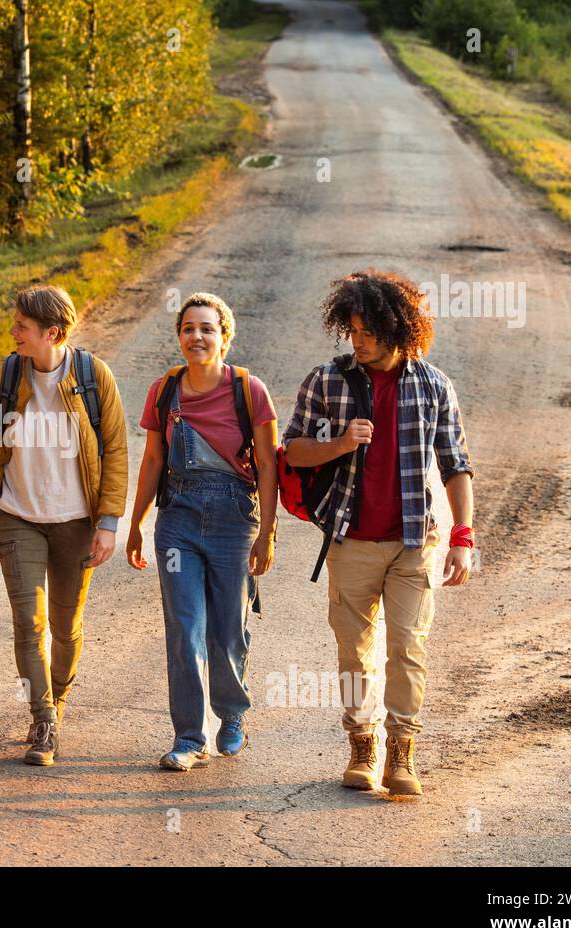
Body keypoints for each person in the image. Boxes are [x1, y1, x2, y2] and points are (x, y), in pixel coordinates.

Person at [282, 269, 474, 795]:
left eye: (368, 332)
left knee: (408, 649)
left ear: (398, 329)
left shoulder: (433, 385)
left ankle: (402, 754)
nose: (358, 341)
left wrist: (463, 537)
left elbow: (456, 465)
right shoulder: (326, 381)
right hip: (351, 541)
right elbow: (292, 452)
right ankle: (362, 746)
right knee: (354, 653)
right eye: (352, 330)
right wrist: (340, 444)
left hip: (415, 541)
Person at [0, 284, 128, 766]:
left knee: (65, 626)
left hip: (77, 523)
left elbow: (116, 451)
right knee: (27, 622)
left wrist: (109, 522)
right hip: (18, 518)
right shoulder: (4, 376)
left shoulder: (93, 377)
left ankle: (57, 698)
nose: (13, 332)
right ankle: (42, 719)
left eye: (22, 326)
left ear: (52, 333)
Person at [126, 293, 279, 770]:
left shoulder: (249, 391)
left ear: (224, 338)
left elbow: (269, 465)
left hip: (235, 519)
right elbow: (153, 460)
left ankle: (232, 714)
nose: (197, 336)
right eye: (188, 328)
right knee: (185, 628)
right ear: (179, 336)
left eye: (207, 328)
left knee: (228, 629)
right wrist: (136, 523)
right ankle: (190, 737)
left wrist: (267, 532)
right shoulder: (164, 391)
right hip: (179, 518)